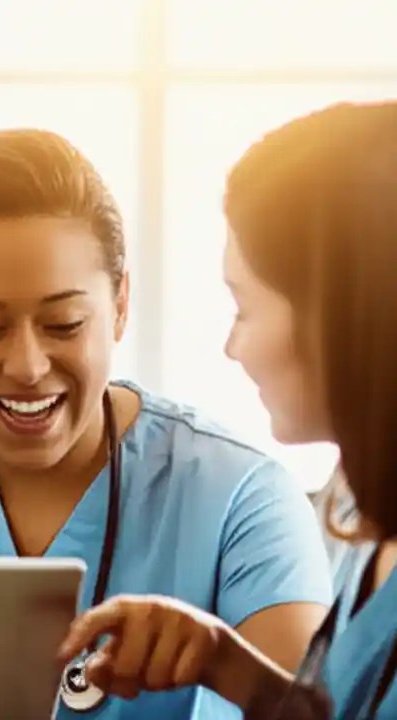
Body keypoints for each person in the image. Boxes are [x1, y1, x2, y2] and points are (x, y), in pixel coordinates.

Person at [0, 128, 333, 718]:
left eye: (64, 324)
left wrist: (223, 663)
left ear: (120, 305)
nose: (27, 367)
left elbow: (320, 711)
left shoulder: (239, 499)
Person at [58, 101, 397, 719]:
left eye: (244, 309)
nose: (231, 347)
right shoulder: (366, 528)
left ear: (343, 316)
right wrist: (229, 666)